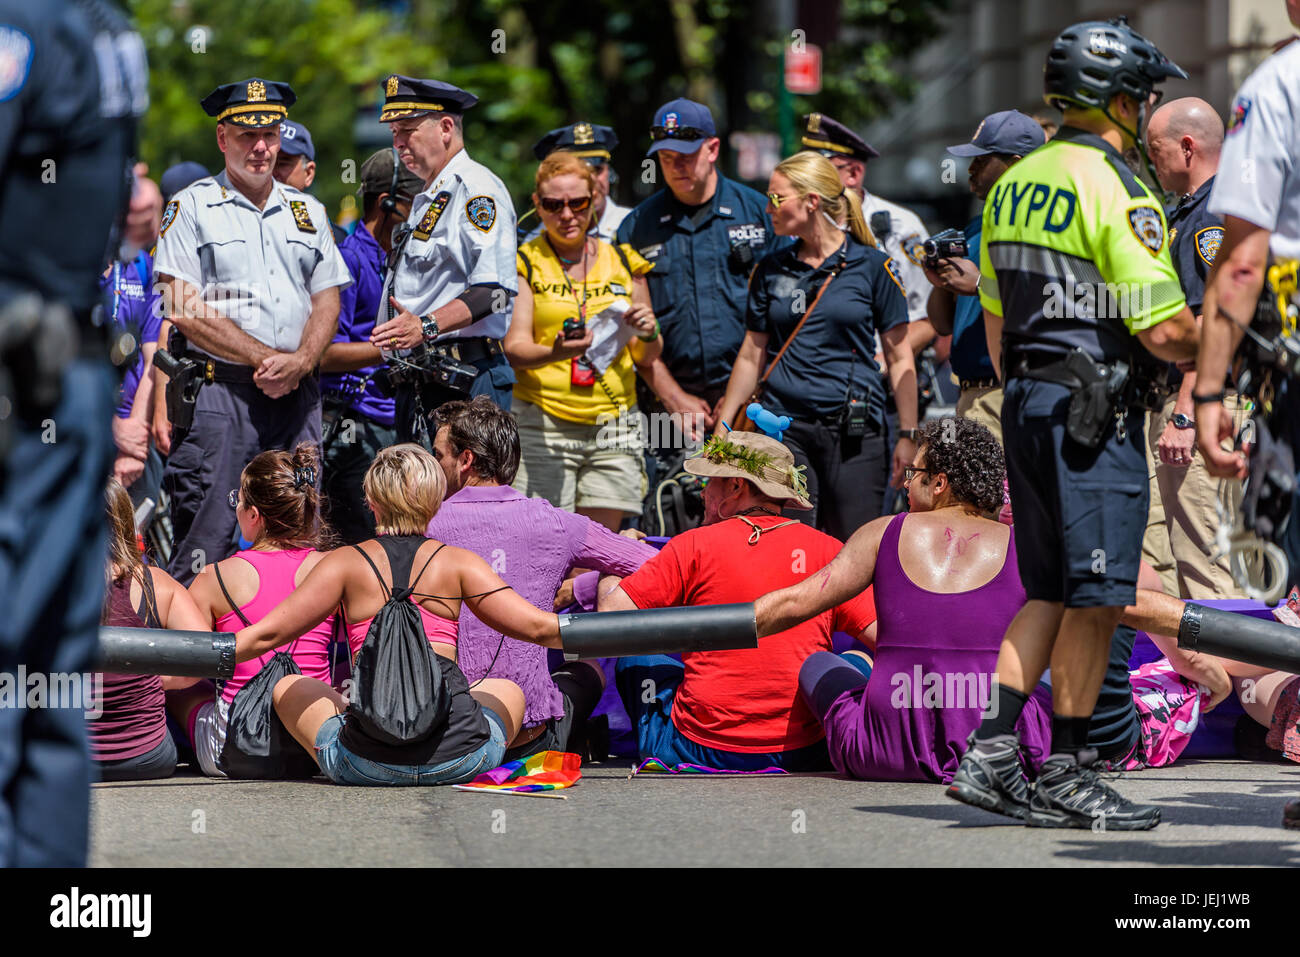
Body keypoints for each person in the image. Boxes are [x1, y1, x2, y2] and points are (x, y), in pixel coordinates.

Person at [950, 16, 1200, 830]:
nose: (1147, 107)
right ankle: (1069, 765)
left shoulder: (1012, 187)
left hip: (1025, 400)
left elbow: (993, 328)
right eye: (1143, 94)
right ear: (1119, 99)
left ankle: (991, 749)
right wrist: (1230, 331)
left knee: (1050, 585)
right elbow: (1162, 326)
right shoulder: (1118, 187)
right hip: (1095, 413)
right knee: (1099, 595)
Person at [754, 418, 1234, 785]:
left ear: (939, 483)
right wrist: (1220, 644)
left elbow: (796, 603)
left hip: (887, 750)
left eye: (912, 472)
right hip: (1005, 749)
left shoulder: (881, 534)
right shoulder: (1026, 547)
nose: (902, 482)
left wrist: (700, 625)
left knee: (821, 663)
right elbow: (1133, 604)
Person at [0, 0, 146, 866]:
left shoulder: (24, 19)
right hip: (62, 370)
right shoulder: (97, 17)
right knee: (46, 677)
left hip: (22, 374)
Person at [230, 444, 565, 786]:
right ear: (435, 503)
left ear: (371, 502)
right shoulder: (460, 563)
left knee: (288, 686)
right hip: (460, 760)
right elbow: (539, 628)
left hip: (364, 764)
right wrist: (611, 631)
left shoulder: (345, 563)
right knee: (507, 689)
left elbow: (265, 635)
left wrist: (190, 652)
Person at [152, 78, 351, 585]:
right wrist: (268, 358)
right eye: (246, 135)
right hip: (223, 394)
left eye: (271, 134)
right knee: (209, 535)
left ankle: (294, 661)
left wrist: (303, 361)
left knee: (301, 533)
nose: (261, 147)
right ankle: (188, 664)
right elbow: (178, 302)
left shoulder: (310, 211)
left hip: (299, 394)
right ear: (223, 139)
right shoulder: (191, 205)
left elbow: (328, 297)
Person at [598, 431, 877, 771]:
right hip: (809, 752)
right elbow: (884, 639)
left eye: (709, 481)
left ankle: (661, 745)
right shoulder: (830, 550)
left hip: (700, 749)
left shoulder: (693, 545)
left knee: (637, 657)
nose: (702, 491)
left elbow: (609, 619)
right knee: (857, 660)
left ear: (735, 487)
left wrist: (609, 565)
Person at [426, 397, 656, 760]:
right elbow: (654, 564)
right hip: (529, 736)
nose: (432, 466)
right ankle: (579, 737)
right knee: (586, 667)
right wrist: (610, 559)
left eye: (438, 456)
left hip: (441, 731)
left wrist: (575, 588)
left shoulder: (424, 526)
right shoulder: (554, 521)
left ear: (466, 460)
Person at [714, 150, 915, 539]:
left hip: (855, 435)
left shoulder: (873, 266)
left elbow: (900, 355)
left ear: (811, 202)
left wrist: (908, 436)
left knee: (853, 551)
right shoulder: (770, 268)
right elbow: (751, 354)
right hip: (783, 431)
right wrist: (724, 428)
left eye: (776, 198)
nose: (767, 207)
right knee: (786, 546)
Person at [506, 151, 662, 529]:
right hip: (544, 422)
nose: (567, 215)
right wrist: (554, 352)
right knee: (544, 547)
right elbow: (514, 349)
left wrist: (649, 330)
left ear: (594, 200)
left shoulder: (624, 261)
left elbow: (647, 355)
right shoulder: (524, 261)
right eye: (553, 205)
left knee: (596, 553)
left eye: (578, 203)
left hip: (613, 424)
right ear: (537, 206)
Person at [617, 98, 779, 456]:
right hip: (668, 407)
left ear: (712, 149)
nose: (676, 167)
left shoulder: (758, 214)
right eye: (666, 158)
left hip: (754, 404)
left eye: (686, 155)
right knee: (668, 506)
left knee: (754, 507)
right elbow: (629, 328)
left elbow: (782, 313)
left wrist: (743, 395)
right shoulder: (637, 228)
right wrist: (673, 396)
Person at [369, 75, 518, 448]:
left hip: (465, 382)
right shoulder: (431, 195)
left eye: (408, 129)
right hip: (422, 381)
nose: (398, 142)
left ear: (446, 128)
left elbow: (495, 291)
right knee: (419, 506)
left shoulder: (475, 190)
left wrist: (426, 326)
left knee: (469, 503)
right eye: (393, 132)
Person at [181, 445, 337, 777]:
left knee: (188, 689)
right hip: (316, 740)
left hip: (237, 748)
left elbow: (186, 663)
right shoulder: (333, 570)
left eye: (239, 504)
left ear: (254, 517)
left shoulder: (214, 577)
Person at [1143, 97, 1245, 599]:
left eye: (1154, 149)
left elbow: (1208, 323)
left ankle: (1246, 679)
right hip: (1209, 404)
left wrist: (1185, 414)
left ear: (1187, 147)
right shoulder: (1207, 207)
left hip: (1201, 406)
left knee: (1206, 564)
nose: (1150, 159)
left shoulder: (1209, 216)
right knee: (1190, 559)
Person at [320, 148, 426, 543]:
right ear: (388, 204)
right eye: (416, 203)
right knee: (364, 544)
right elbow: (324, 355)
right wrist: (394, 347)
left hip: (400, 422)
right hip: (355, 429)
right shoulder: (348, 260)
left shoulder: (407, 257)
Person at [925, 110, 1045, 443]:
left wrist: (979, 284)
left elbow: (1044, 301)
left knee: (1007, 497)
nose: (971, 168)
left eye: (982, 159)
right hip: (967, 394)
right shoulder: (976, 227)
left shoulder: (1039, 227)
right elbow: (943, 326)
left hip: (1007, 392)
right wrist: (941, 285)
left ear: (1016, 163)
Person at [90, 480, 208, 781]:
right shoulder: (156, 583)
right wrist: (148, 680)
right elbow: (204, 658)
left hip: (70, 760)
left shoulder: (42, 584)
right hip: (148, 756)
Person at [801, 112, 932, 350]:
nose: (806, 178)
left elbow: (926, 316)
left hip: (877, 375)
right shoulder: (797, 223)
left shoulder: (901, 226)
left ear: (853, 174)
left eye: (819, 170)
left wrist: (883, 364)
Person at [521, 122, 630, 242]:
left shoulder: (634, 226)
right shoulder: (535, 243)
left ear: (609, 172)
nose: (592, 179)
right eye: (580, 173)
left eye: (597, 169)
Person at [274, 119, 348, 243]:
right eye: (267, 162)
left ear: (308, 173)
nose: (272, 172)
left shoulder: (335, 239)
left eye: (282, 164)